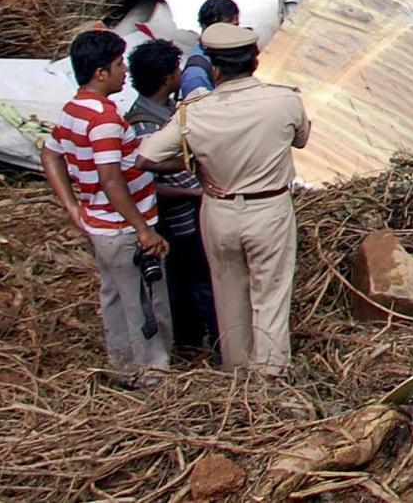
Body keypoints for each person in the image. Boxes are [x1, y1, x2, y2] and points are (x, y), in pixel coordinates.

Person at [133, 24, 310, 375]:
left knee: (229, 297)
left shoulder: (194, 110)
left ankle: (237, 373)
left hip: (219, 210)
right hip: (269, 209)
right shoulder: (285, 100)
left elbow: (146, 157)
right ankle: (270, 376)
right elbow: (301, 140)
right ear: (255, 62)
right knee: (271, 297)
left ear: (214, 68)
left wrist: (194, 165)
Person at [41, 30, 172, 381]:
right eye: (118, 65)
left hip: (99, 224)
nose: (124, 71)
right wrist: (143, 229)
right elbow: (111, 179)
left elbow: (49, 154)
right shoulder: (104, 121)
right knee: (143, 302)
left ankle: (123, 366)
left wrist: (73, 208)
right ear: (101, 73)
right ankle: (152, 375)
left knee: (114, 295)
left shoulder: (73, 110)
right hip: (123, 227)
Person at [123, 39, 216, 359]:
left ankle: (194, 340)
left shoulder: (167, 111)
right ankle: (197, 344)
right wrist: (194, 190)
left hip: (186, 214)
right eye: (177, 69)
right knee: (195, 280)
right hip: (178, 219)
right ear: (166, 78)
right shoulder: (144, 124)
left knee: (192, 280)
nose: (181, 74)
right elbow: (145, 180)